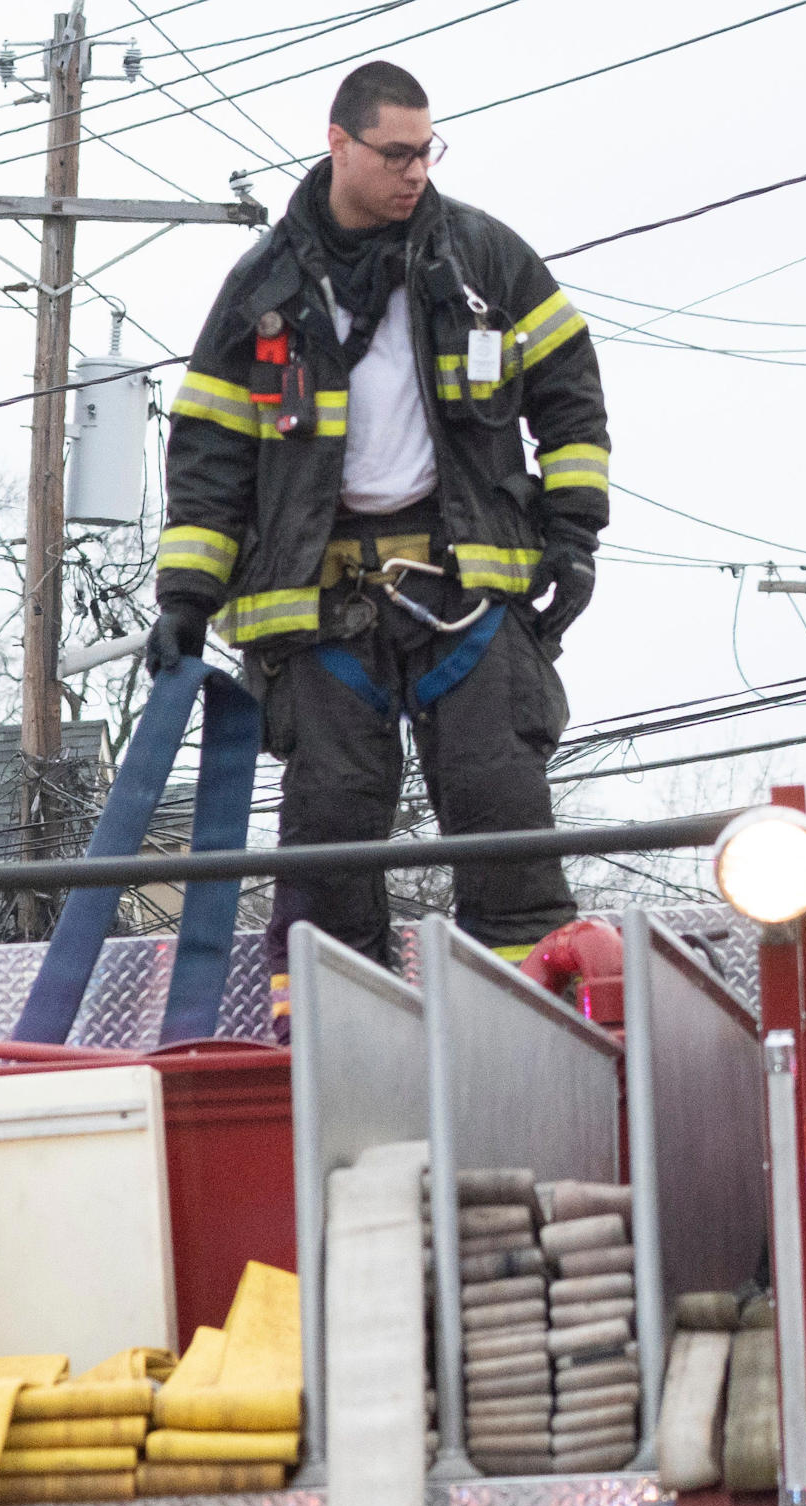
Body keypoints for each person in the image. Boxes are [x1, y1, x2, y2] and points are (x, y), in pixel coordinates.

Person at [149, 60, 609, 968]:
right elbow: (211, 454)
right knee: (328, 836)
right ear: (339, 146)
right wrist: (186, 597)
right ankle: (336, 1044)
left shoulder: (486, 262)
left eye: (427, 152)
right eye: (396, 154)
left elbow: (569, 394)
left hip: (465, 590)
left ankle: (529, 1034)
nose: (416, 173)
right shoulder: (260, 292)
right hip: (322, 606)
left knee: (502, 816)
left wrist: (572, 536)